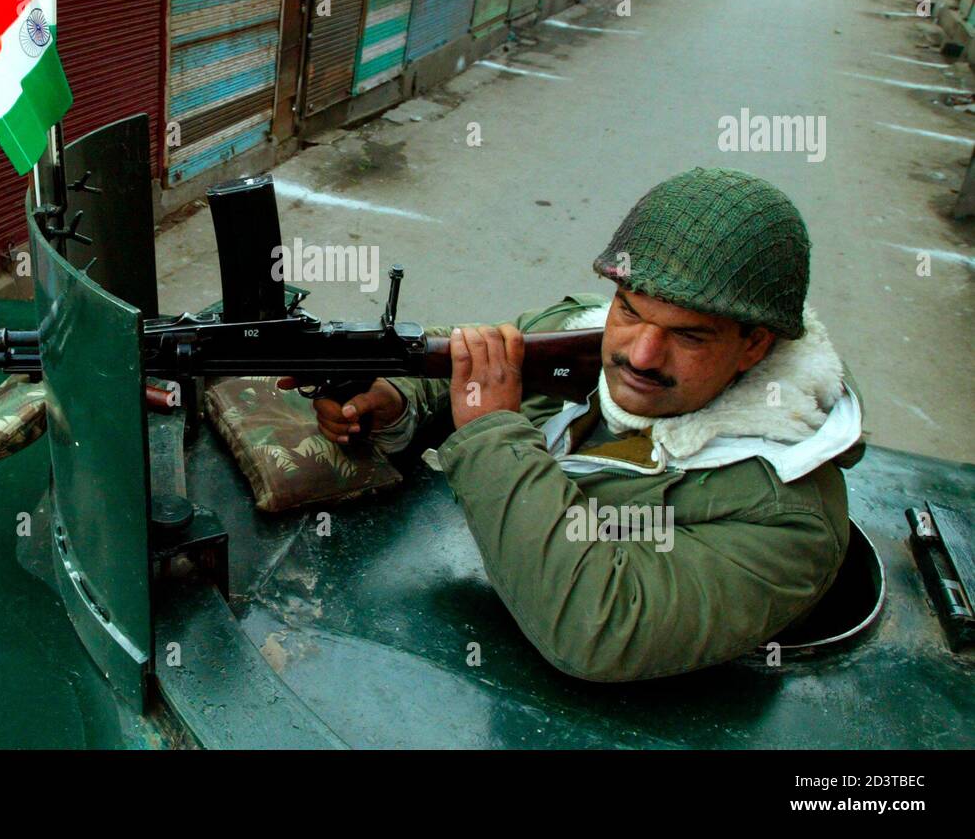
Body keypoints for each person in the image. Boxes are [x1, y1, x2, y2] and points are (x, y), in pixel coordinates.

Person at [297, 168, 863, 682]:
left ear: (755, 344)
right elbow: (465, 365)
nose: (641, 355)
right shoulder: (575, 334)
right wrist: (392, 401)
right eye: (630, 310)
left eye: (688, 335)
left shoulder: (787, 520)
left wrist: (493, 435)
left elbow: (600, 629)